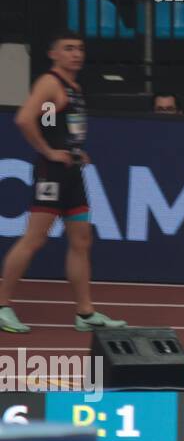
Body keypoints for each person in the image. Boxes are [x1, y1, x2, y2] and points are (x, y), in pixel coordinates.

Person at [0, 30, 126, 334]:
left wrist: (74, 151)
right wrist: (49, 152)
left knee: (81, 240)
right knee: (35, 238)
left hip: (71, 173)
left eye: (80, 48)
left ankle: (84, 313)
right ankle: (2, 305)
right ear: (53, 54)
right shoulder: (49, 83)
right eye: (68, 48)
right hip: (52, 173)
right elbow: (24, 119)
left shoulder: (73, 86)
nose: (76, 54)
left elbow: (50, 123)